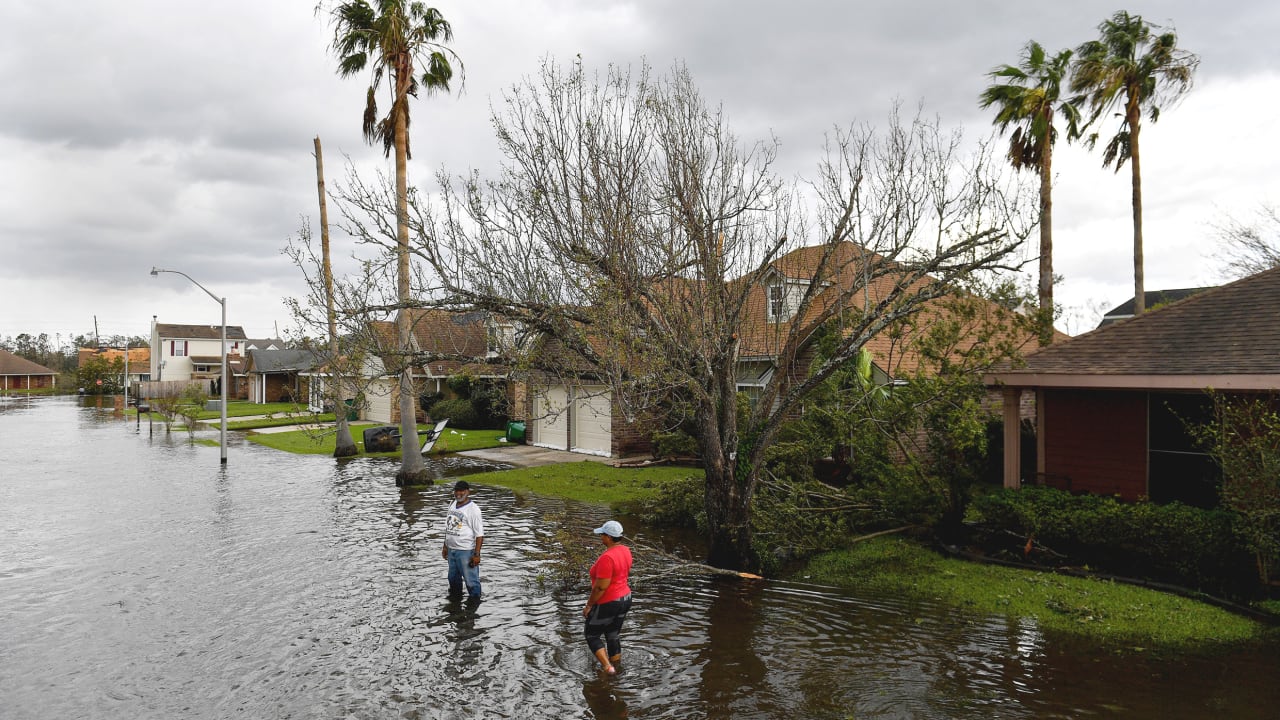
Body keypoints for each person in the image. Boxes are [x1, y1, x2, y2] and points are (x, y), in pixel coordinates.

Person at [582, 520, 633, 675]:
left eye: (603, 535)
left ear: (609, 537)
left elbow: (600, 587)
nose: (601, 537)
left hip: (610, 601)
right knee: (612, 634)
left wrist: (589, 605)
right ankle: (617, 666)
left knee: (591, 634)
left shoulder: (607, 558)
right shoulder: (626, 550)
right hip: (626, 598)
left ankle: (607, 668)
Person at [441, 480, 484, 600]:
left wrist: (476, 554)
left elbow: (479, 535)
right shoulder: (453, 503)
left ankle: (474, 606)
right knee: (453, 579)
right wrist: (445, 546)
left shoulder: (473, 509)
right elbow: (448, 526)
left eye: (461, 491)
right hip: (451, 550)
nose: (458, 493)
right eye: (456, 490)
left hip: (465, 551)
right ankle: (455, 604)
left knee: (471, 581)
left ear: (467, 492)